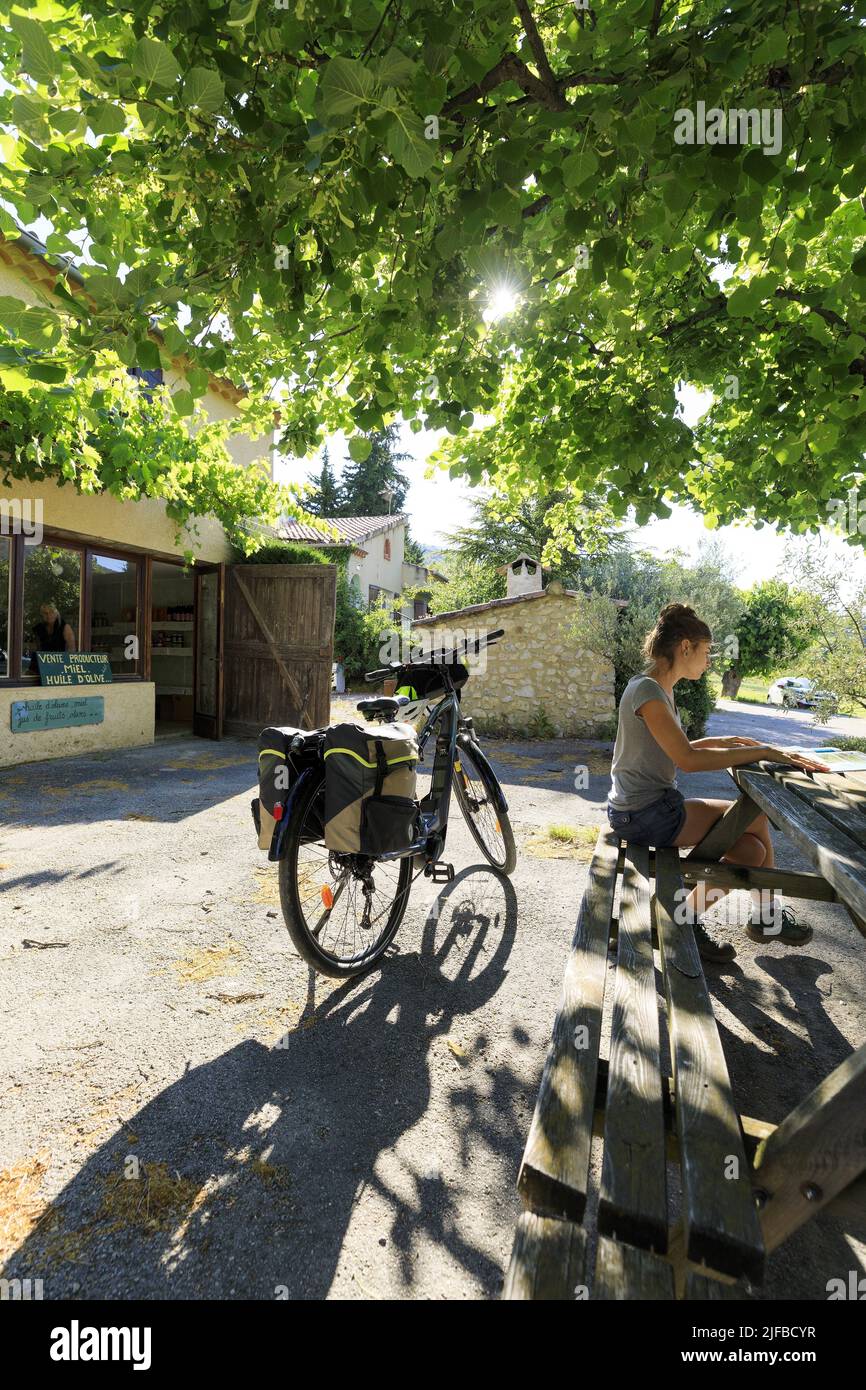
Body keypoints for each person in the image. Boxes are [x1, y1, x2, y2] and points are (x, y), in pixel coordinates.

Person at [606, 603, 830, 963]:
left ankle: (684, 918)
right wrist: (763, 752)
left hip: (643, 809)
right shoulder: (648, 691)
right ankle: (766, 918)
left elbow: (675, 748)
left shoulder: (655, 688)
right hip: (645, 813)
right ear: (685, 647)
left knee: (750, 853)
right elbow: (688, 761)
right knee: (754, 819)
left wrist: (728, 743)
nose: (709, 661)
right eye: (707, 651)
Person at [28, 602, 76, 673]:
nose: (48, 615)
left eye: (51, 612)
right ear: (42, 615)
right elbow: (36, 649)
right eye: (45, 613)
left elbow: (71, 651)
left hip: (59, 668)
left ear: (56, 613)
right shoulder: (38, 628)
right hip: (40, 667)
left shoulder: (65, 628)